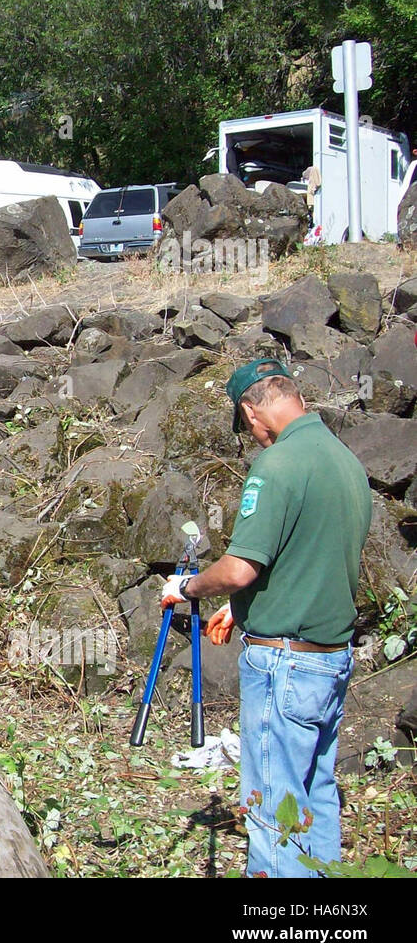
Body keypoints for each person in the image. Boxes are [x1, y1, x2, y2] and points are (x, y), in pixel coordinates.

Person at [160, 358, 371, 878]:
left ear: (252, 412)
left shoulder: (277, 465)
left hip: (286, 666)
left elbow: (237, 568)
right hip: (331, 662)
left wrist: (186, 588)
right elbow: (313, 555)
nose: (252, 437)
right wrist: (243, 607)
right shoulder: (345, 461)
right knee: (314, 798)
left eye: (246, 425)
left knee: (274, 811)